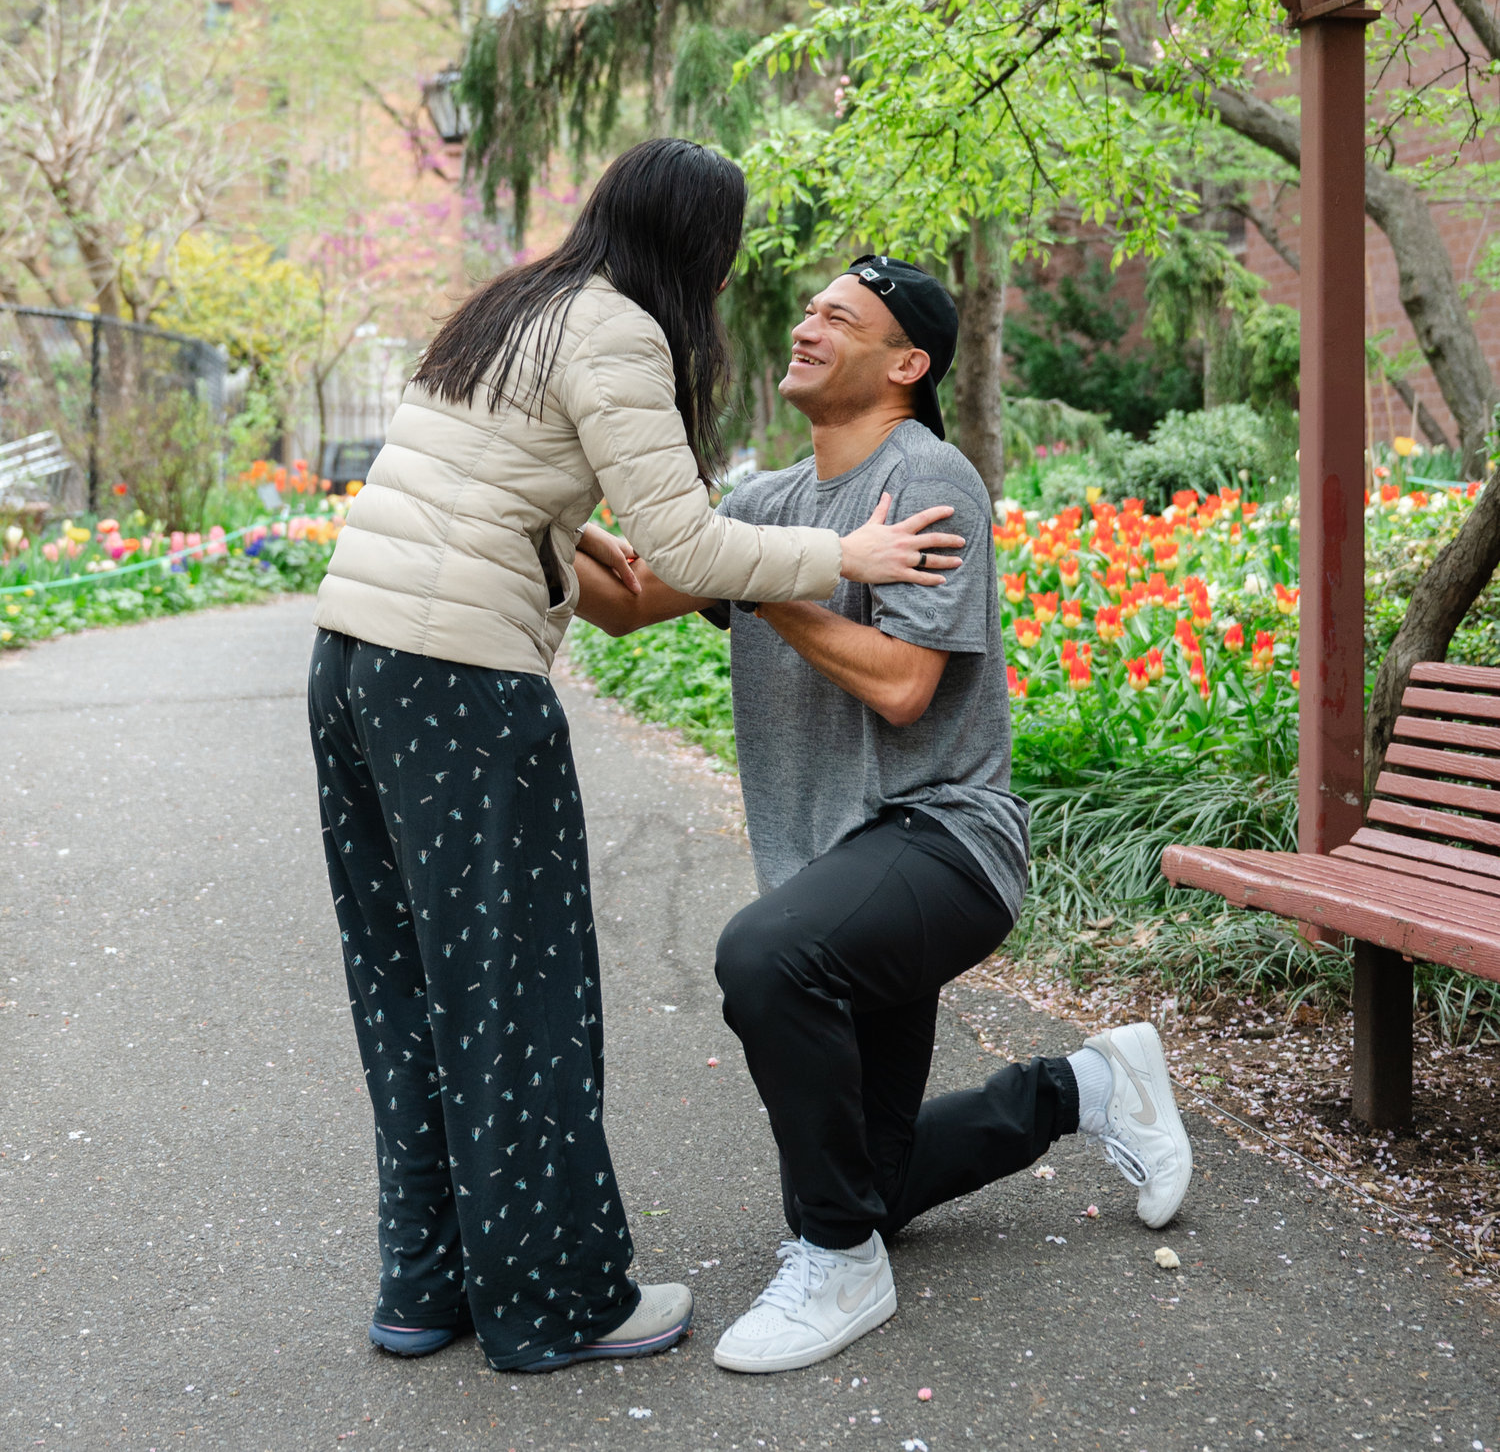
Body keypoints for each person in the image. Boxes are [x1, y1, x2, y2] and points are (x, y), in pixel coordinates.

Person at [307, 146, 967, 1376]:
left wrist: (571, 529)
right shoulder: (617, 329)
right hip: (461, 683)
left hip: (355, 664)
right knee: (519, 996)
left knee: (410, 989)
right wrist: (846, 562)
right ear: (696, 246)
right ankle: (555, 1304)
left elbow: (503, 484)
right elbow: (690, 543)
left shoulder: (515, 305)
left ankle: (428, 1283)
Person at [574, 253, 1193, 1377]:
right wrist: (543, 487)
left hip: (944, 842)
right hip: (838, 869)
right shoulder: (768, 501)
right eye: (808, 308)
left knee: (762, 961)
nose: (806, 324)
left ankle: (839, 1266)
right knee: (873, 1178)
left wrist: (764, 580)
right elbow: (625, 603)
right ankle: (1091, 1085)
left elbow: (906, 684)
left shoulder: (930, 476)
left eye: (838, 317)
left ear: (906, 362)